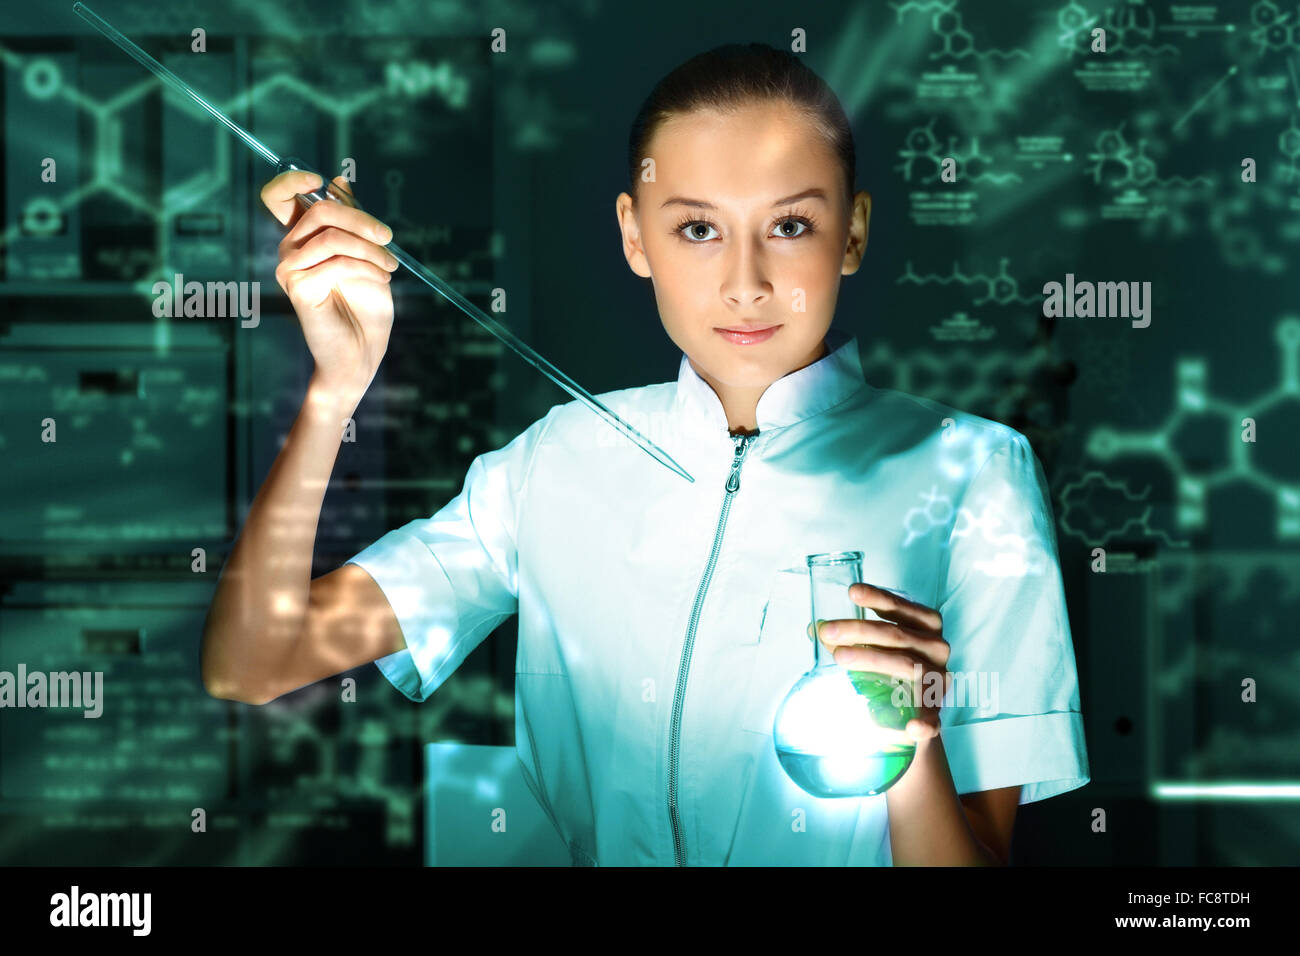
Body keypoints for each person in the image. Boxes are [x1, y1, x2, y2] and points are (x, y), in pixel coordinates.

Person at [201, 42, 1089, 866]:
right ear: (635, 236)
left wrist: (914, 740)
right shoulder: (556, 461)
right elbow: (254, 661)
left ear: (851, 232)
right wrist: (337, 387)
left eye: (790, 227)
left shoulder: (976, 472)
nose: (745, 283)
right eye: (697, 229)